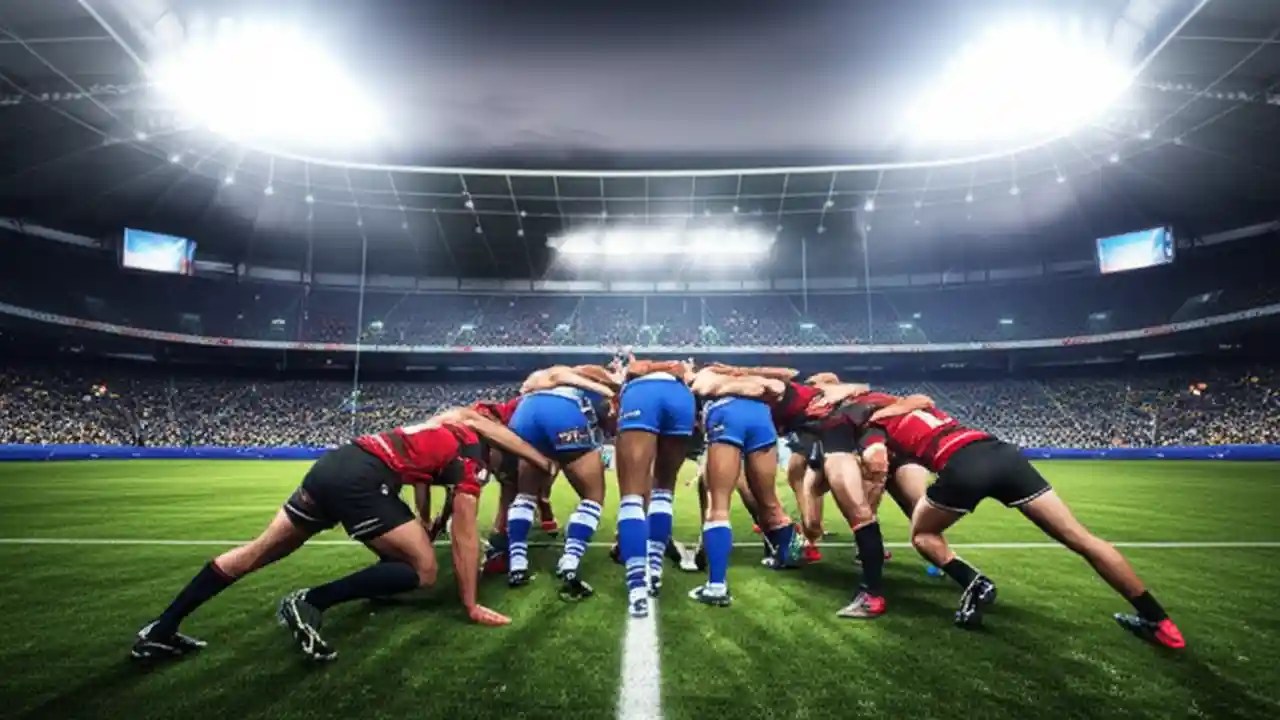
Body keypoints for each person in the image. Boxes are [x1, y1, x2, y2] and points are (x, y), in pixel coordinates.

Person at [130, 407, 557, 662]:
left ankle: (160, 630)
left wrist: (425, 521)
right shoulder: (473, 458)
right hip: (364, 480)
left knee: (256, 552)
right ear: (498, 445)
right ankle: (310, 601)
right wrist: (470, 603)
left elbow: (422, 478)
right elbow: (466, 538)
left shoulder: (448, 428)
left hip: (336, 464)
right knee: (423, 569)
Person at [845, 392, 1186, 648]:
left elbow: (877, 463)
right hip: (1003, 454)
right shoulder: (916, 404)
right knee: (1081, 539)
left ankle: (975, 583)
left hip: (962, 465)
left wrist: (867, 502)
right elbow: (922, 397)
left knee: (922, 535)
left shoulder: (872, 427)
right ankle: (1159, 621)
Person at [686, 366, 799, 607]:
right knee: (769, 500)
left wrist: (728, 377)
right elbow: (781, 385)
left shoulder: (711, 375)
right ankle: (785, 554)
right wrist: (754, 383)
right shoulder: (760, 381)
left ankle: (716, 586)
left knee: (718, 505)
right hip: (761, 416)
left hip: (726, 413)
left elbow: (700, 386)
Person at [505, 365, 619, 600]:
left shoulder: (538, 377)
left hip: (525, 412)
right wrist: (610, 387)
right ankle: (569, 563)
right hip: (561, 411)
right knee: (593, 497)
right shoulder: (580, 379)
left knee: (525, 494)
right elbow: (609, 414)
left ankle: (517, 564)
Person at [613, 355, 696, 617]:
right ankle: (655, 570)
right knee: (663, 491)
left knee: (632, 496)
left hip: (643, 394)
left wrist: (627, 371)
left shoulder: (635, 370)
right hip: (680, 396)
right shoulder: (680, 369)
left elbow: (630, 373)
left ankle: (637, 588)